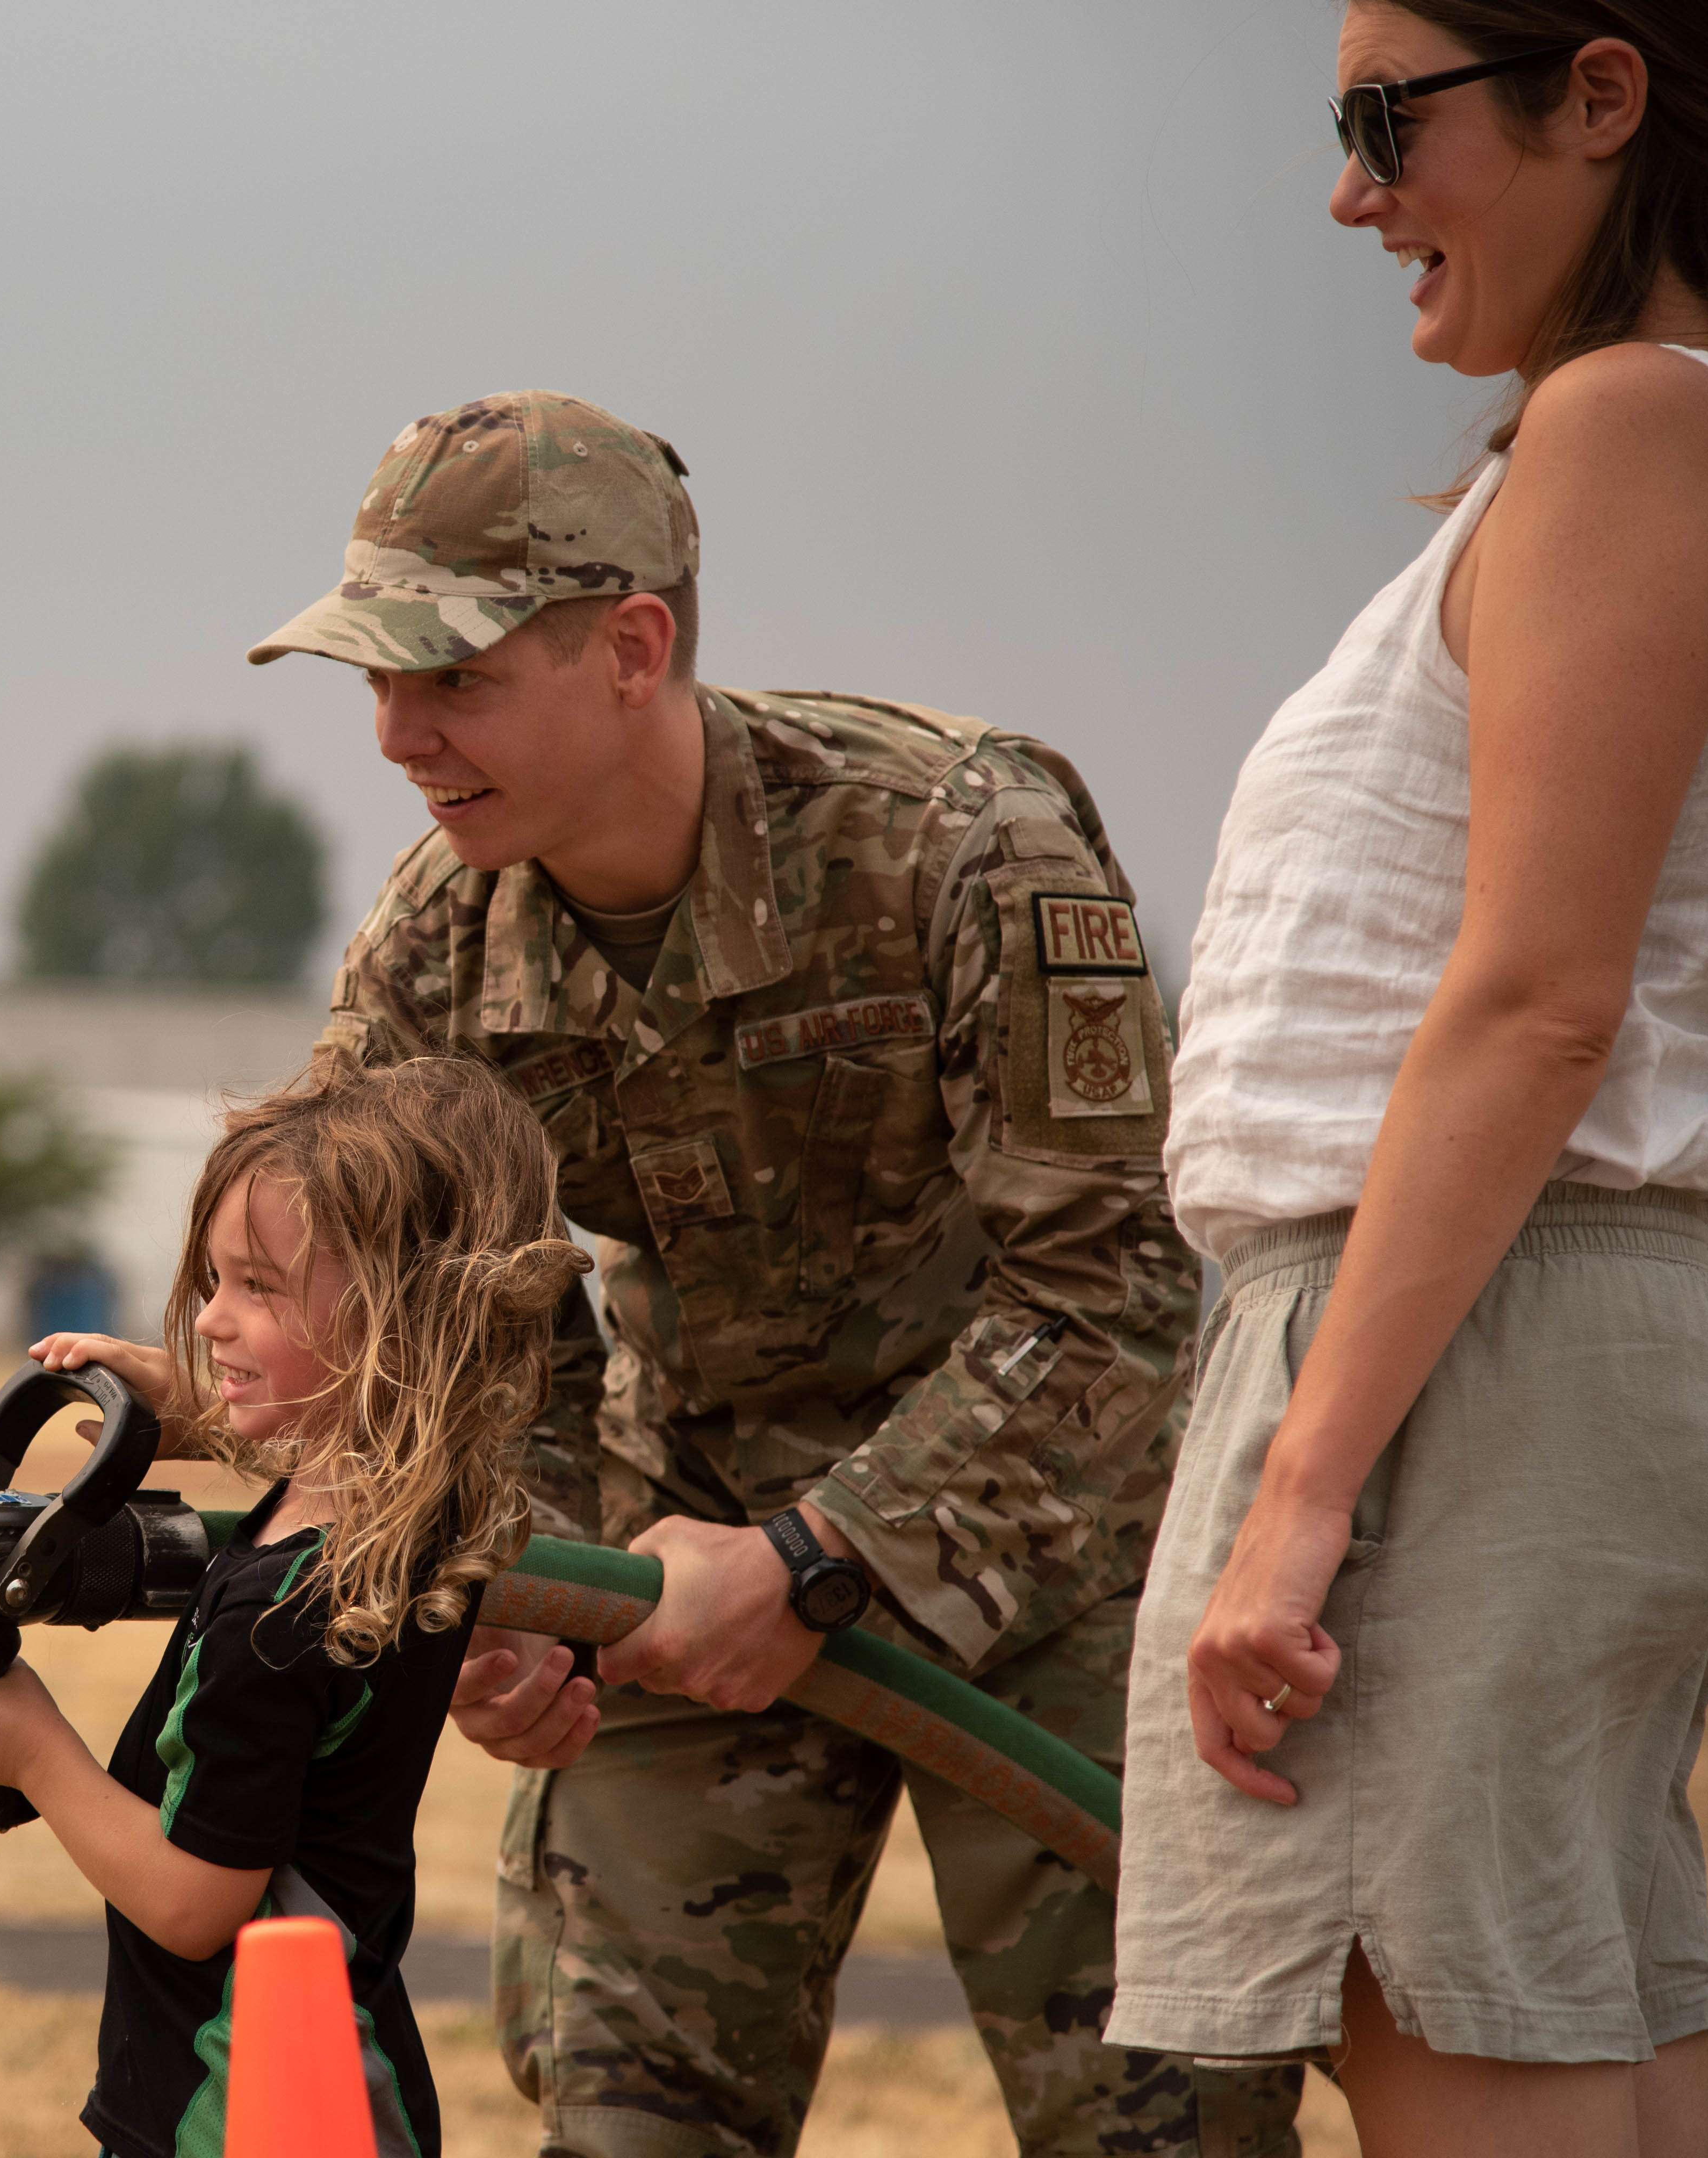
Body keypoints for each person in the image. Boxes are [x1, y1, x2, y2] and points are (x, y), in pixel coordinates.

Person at [247, 389, 1305, 2156]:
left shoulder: (959, 843)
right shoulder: (433, 948)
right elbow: (460, 1328)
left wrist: (816, 1559)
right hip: (675, 1555)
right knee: (624, 2113)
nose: (393, 734)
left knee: (1160, 2124)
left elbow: (1106, 1304)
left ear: (630, 646)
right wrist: (521, 1582)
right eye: (371, 677)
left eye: (449, 675)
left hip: (1052, 1562)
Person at [1108, 7, 1708, 2155]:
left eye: (1382, 121)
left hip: (1465, 1361)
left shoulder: (1630, 427)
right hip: (1539, 1342)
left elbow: (1531, 998)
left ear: (1600, 98)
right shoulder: (1656, 435)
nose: (1346, 189)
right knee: (1587, 2064)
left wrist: (1302, 1493)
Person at [0, 1053, 592, 2158]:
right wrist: (196, 1407)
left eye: (258, 1288)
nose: (211, 1319)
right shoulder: (420, 1517)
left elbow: (194, 1900)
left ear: (398, 1311)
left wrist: (34, 1749)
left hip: (236, 2106)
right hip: (349, 2079)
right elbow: (370, 1419)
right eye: (214, 1280)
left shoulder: (274, 1618)